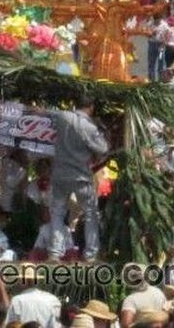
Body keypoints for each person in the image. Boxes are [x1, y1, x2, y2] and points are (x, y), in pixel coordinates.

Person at [48, 97, 108, 262]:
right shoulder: (89, 127)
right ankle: (90, 255)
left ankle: (54, 253)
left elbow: (43, 113)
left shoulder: (63, 116)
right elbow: (103, 149)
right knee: (90, 214)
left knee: (58, 213)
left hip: (60, 174)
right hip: (80, 175)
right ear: (91, 106)